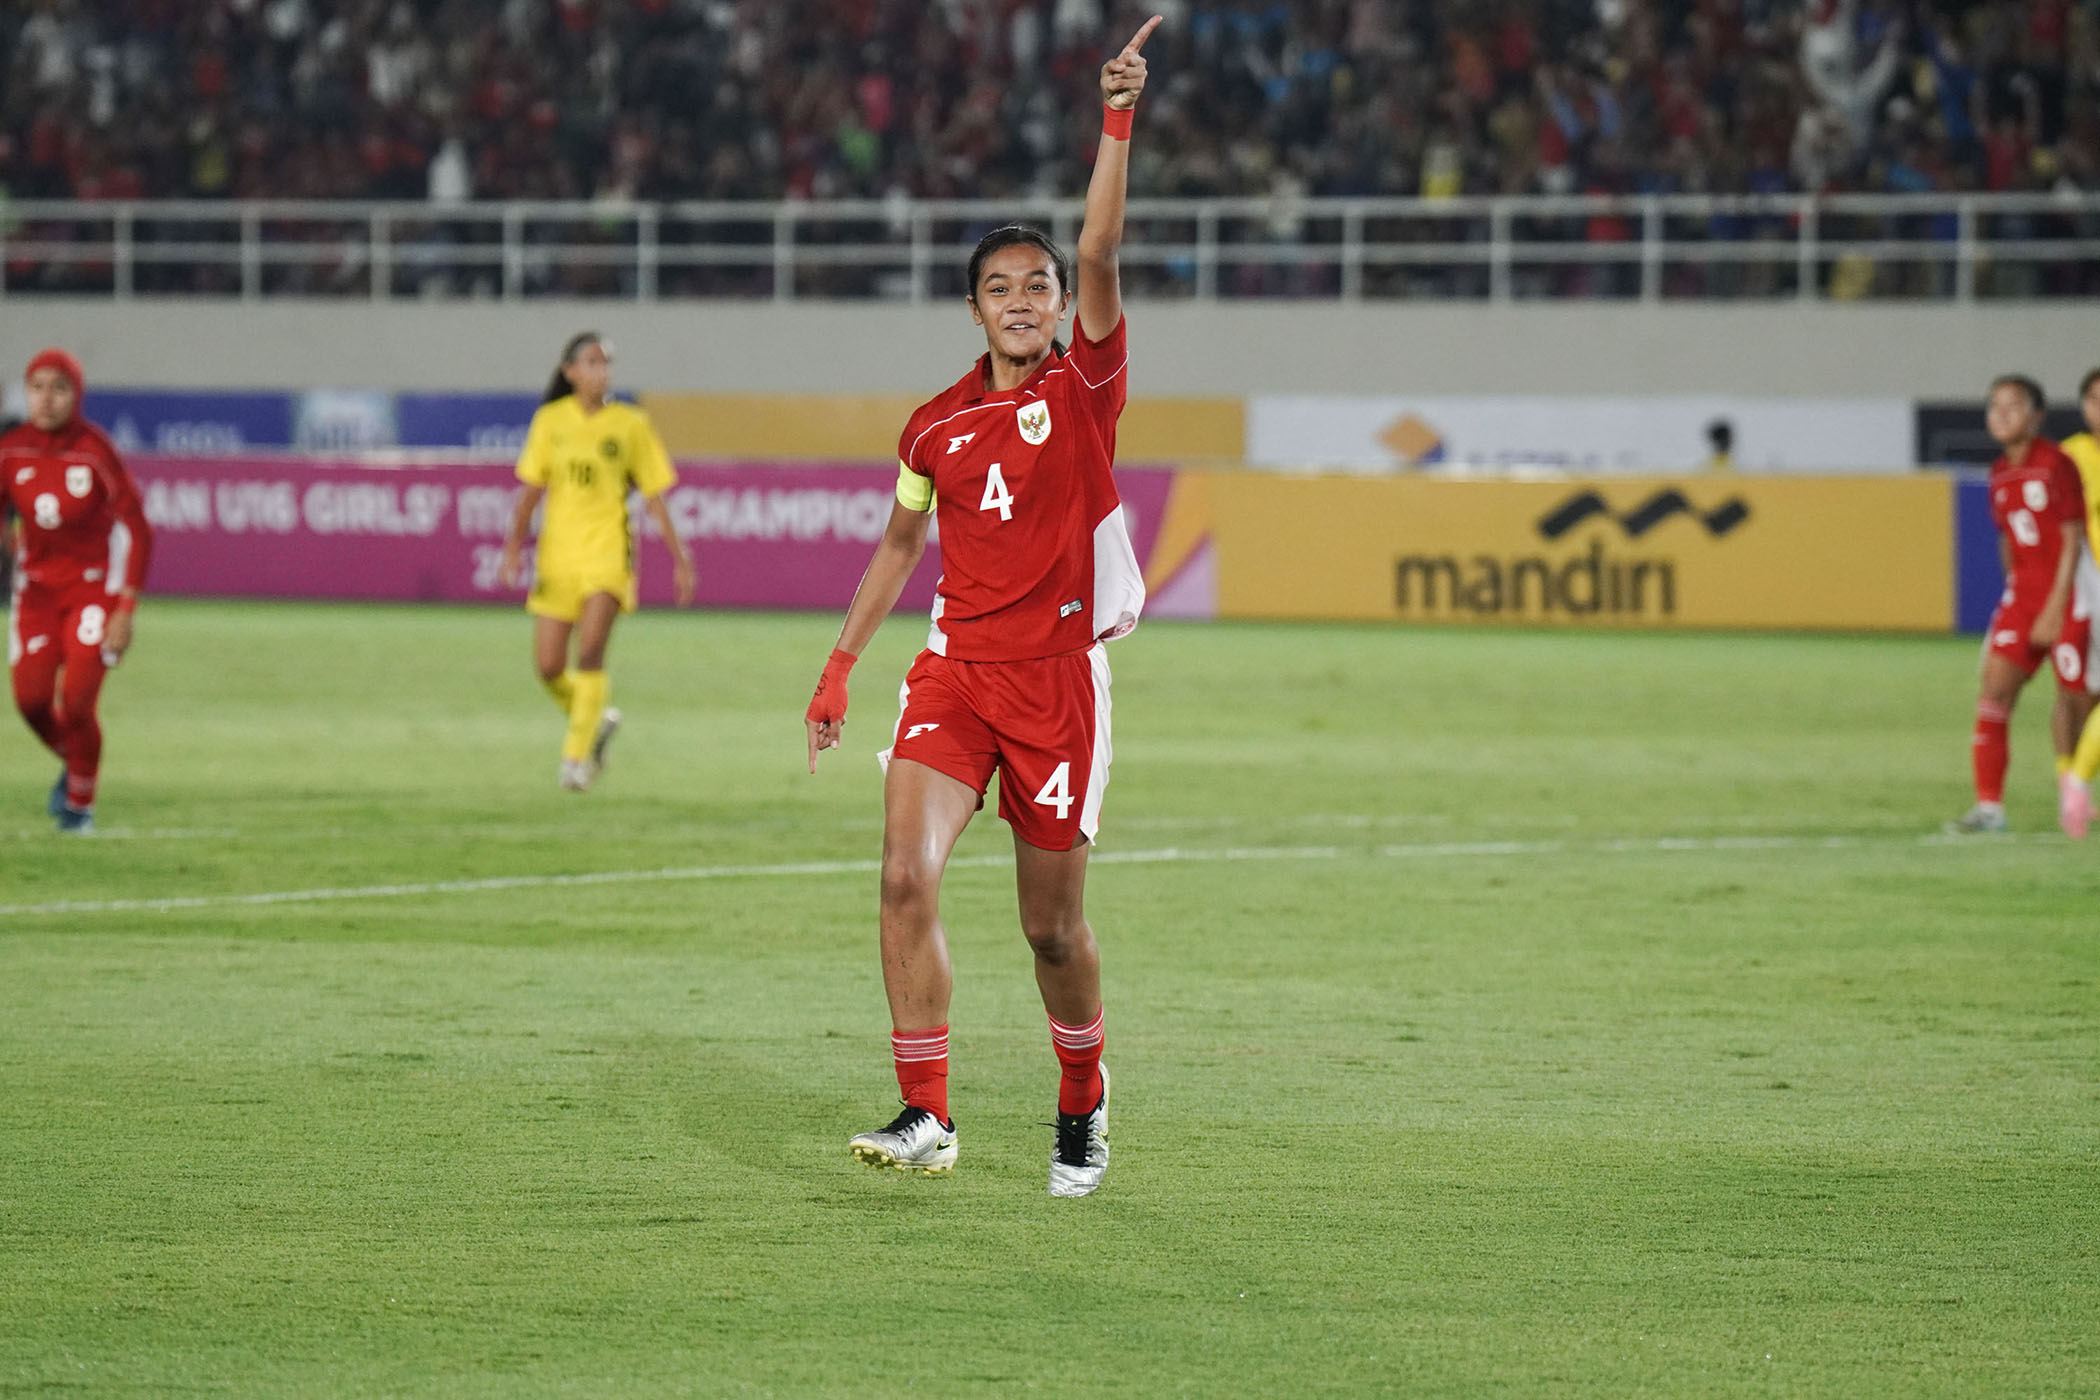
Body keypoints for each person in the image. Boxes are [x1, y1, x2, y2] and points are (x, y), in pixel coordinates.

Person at [803, 16, 1162, 1198]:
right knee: (905, 876)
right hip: (955, 668)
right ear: (973, 310)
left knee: (1052, 930)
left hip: (1059, 684)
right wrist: (842, 665)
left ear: (1062, 304)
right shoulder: (934, 427)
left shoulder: (1086, 383)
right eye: (1001, 287)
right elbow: (905, 535)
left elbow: (1105, 252)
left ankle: (1082, 1092)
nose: (1025, 300)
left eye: (1040, 285)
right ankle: (929, 1110)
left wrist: (1116, 118)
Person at [498, 333, 695, 791]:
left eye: (606, 363)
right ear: (570, 372)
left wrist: (681, 559)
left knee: (589, 653)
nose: (601, 372)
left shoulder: (630, 424)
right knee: (548, 667)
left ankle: (574, 760)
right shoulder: (550, 421)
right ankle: (595, 720)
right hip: (559, 557)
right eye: (591, 362)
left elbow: (655, 496)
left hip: (608, 554)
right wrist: (512, 547)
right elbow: (531, 493)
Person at [1, 348, 153, 834]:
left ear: (76, 395)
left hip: (92, 589)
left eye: (58, 388)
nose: (46, 399)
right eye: (37, 387)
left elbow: (139, 528)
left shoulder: (94, 450)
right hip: (36, 594)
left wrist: (125, 607)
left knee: (79, 701)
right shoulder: (12, 449)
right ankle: (80, 761)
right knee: (30, 702)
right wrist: (11, 544)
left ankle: (78, 808)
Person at [1951, 374, 2095, 834]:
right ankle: (1989, 808)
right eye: (1995, 407)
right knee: (1994, 691)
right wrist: (2014, 591)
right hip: (2024, 596)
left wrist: (2056, 604)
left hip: (2070, 593)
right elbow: (2008, 539)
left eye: (2013, 406)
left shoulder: (2056, 464)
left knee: (2078, 700)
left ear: (2036, 417)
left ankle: (2072, 791)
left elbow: (2073, 536)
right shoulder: (1999, 472)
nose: (2002, 415)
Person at [2052, 367, 2100, 836]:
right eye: (2093, 399)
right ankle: (2070, 778)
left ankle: (2077, 786)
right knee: (2072, 692)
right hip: (2085, 586)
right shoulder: (2070, 457)